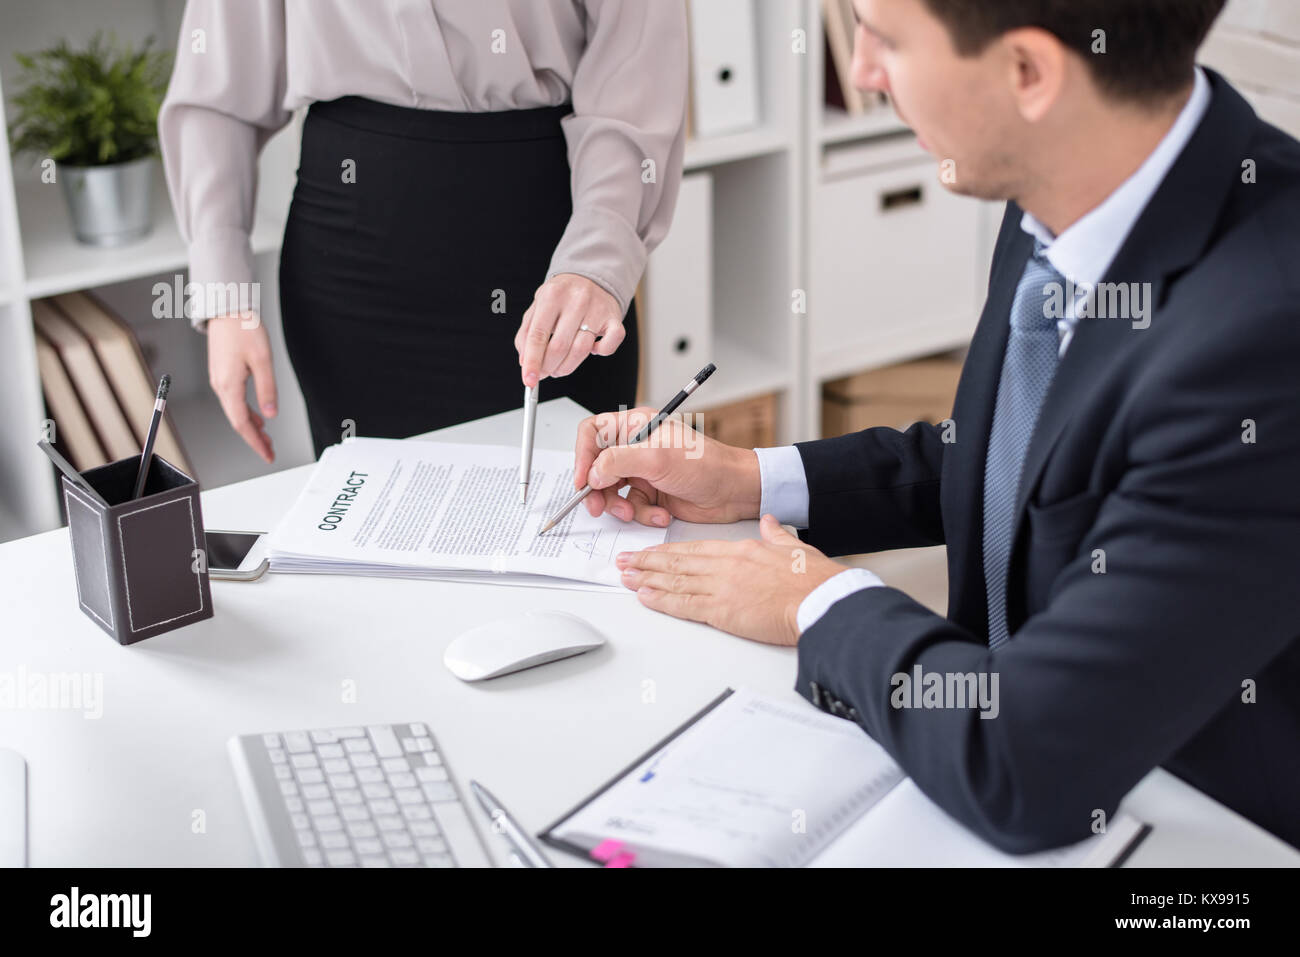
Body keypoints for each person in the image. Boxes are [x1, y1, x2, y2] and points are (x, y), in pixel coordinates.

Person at [570, 0, 1300, 853]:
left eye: (886, 38)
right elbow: (1021, 467)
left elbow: (1025, 760)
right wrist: (751, 479)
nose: (866, 73)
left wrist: (819, 602)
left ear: (1029, 73)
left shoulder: (1264, 342)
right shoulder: (1066, 179)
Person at [160, 0, 687, 459]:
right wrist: (224, 294)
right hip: (349, 271)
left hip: (553, 261)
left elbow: (635, 77)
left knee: (567, 523)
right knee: (370, 538)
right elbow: (216, 91)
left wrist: (596, 265)